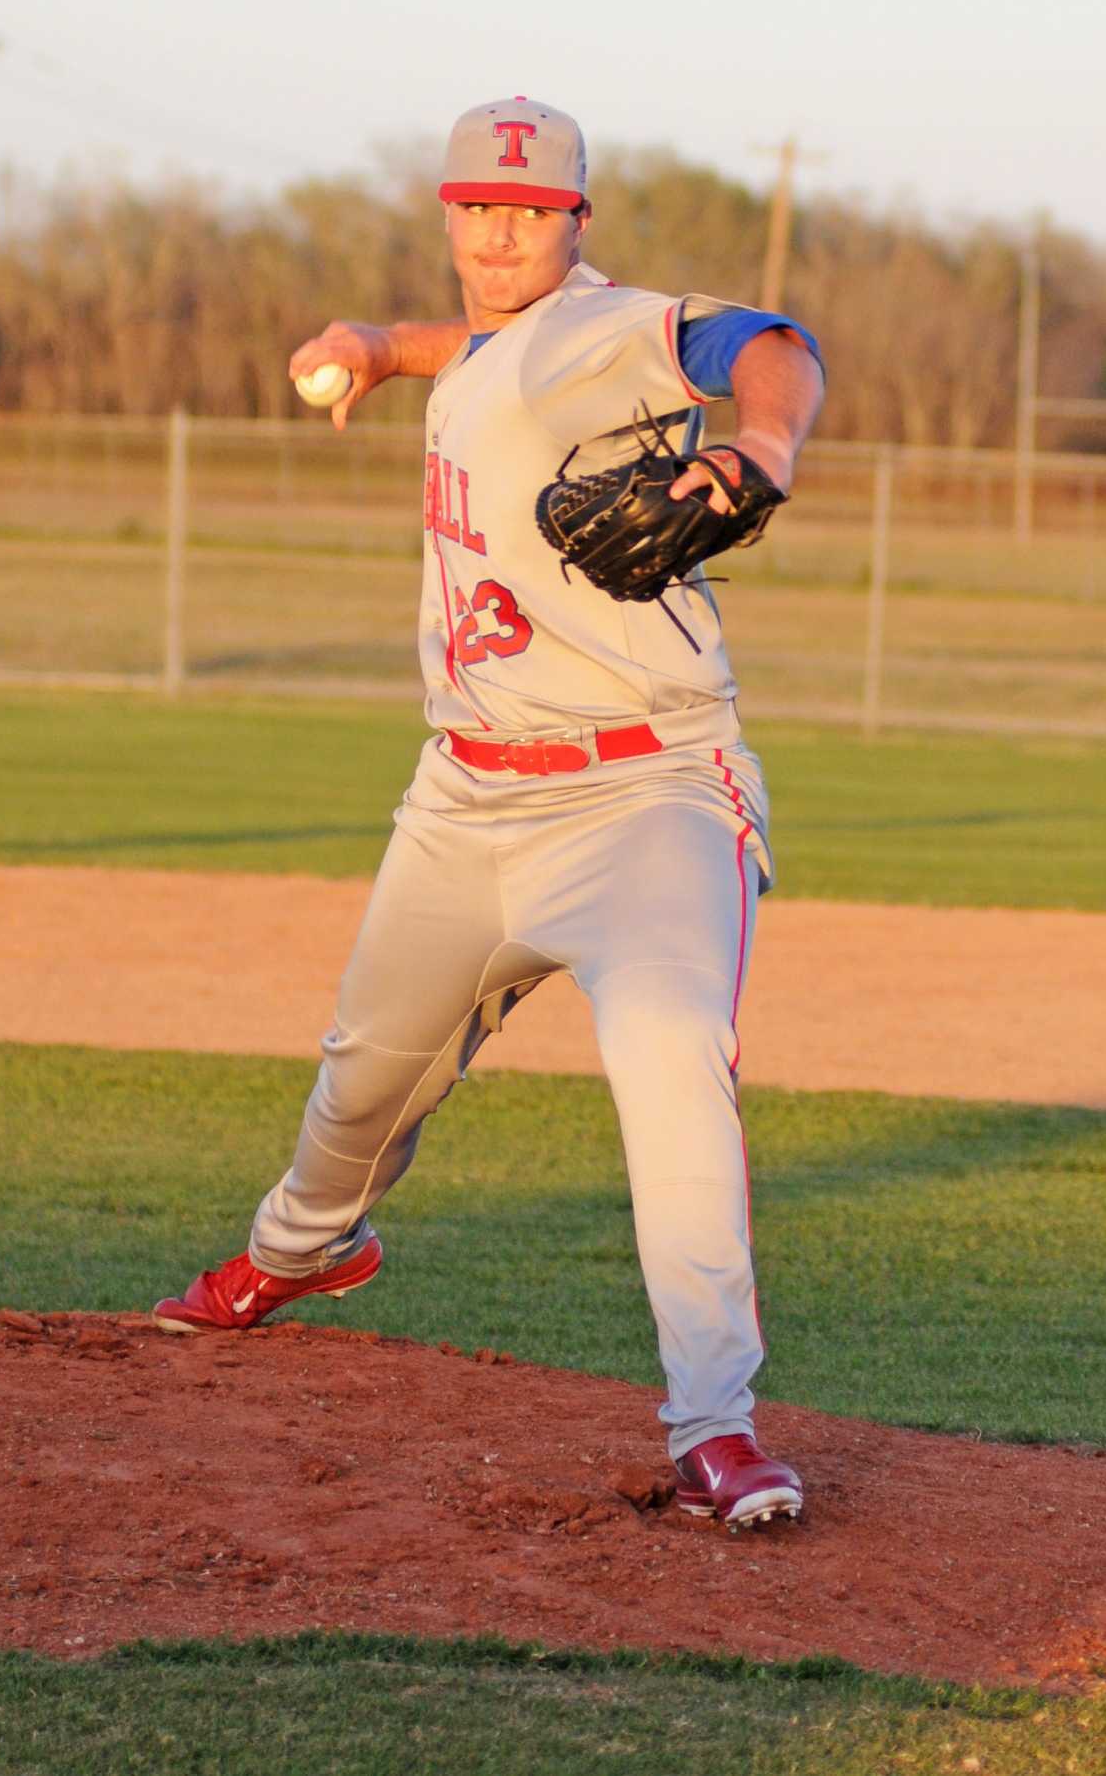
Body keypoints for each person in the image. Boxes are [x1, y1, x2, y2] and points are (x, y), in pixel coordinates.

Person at [152, 96, 826, 1529]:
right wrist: (376, 349)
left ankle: (717, 1424)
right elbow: (471, 349)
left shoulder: (611, 324)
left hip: (643, 792)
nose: (501, 230)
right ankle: (300, 1249)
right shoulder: (505, 339)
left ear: (578, 223)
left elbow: (769, 347)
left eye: (532, 210)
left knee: (668, 1058)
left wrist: (757, 450)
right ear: (450, 213)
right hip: (465, 797)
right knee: (360, 1082)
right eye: (478, 207)